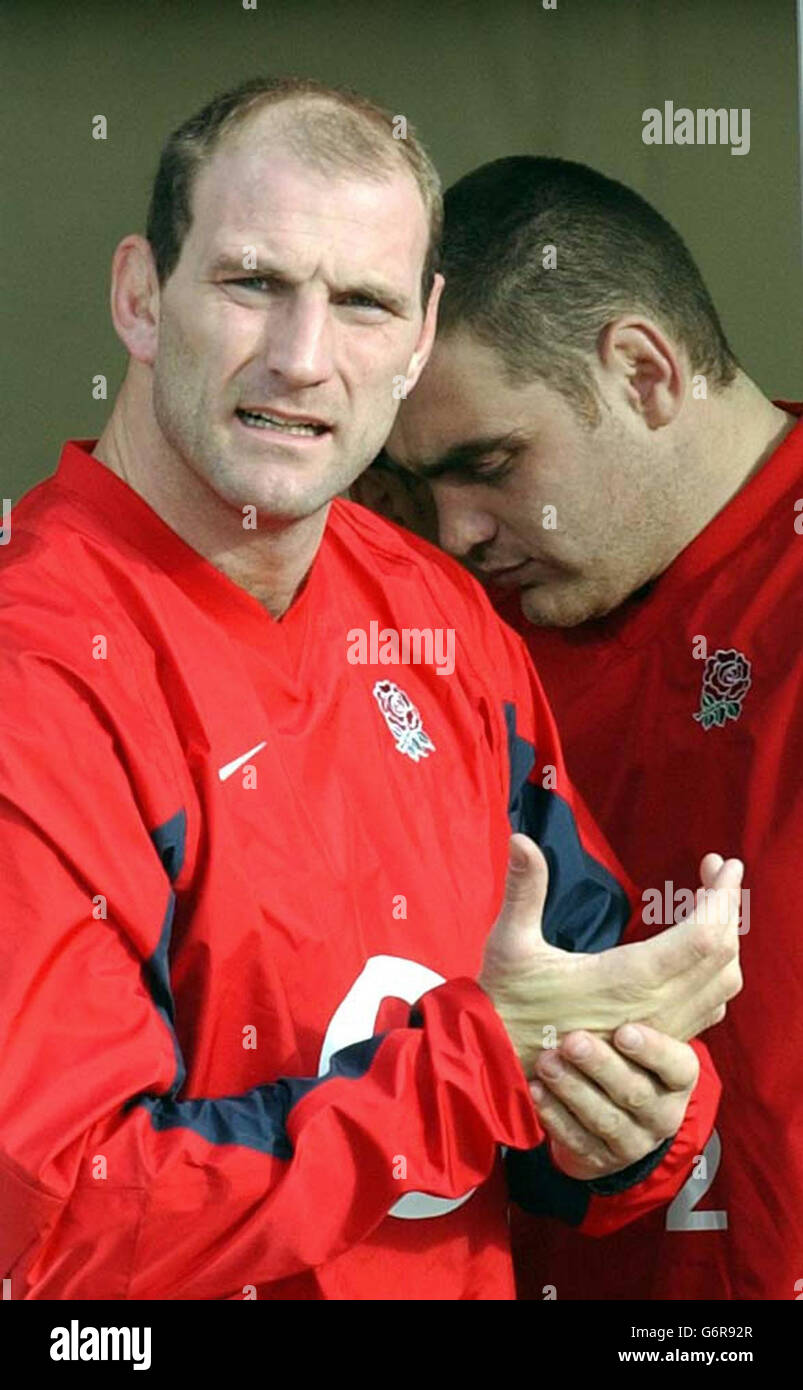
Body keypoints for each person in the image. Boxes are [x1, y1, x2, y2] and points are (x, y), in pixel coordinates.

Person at [0, 90, 741, 1303]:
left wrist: (625, 1115)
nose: (302, 357)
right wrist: (474, 1067)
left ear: (417, 335)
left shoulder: (440, 619)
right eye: (250, 283)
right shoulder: (35, 669)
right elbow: (53, 1231)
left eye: (360, 303)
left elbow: (569, 1045)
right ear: (139, 296)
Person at [361, 155, 801, 1300]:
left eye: (488, 466)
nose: (454, 532)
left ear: (643, 372)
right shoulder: (453, 642)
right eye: (419, 487)